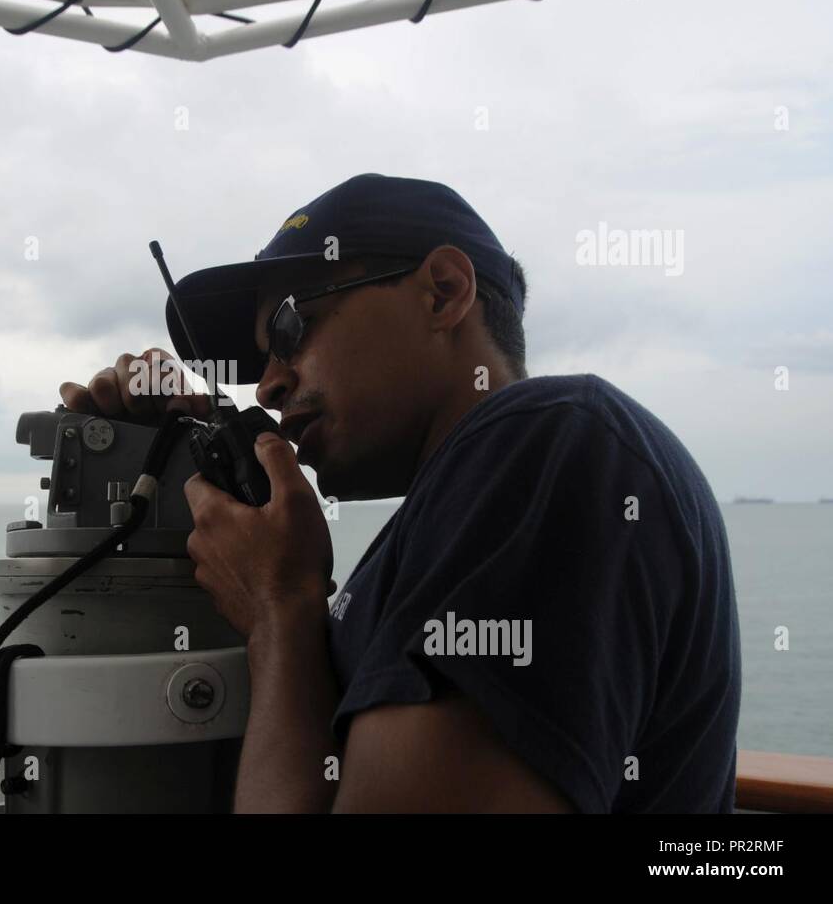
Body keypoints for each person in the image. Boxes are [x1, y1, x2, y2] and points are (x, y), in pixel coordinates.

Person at [59, 174, 741, 813]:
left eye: (292, 330)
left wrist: (281, 608)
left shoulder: (548, 445)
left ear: (443, 292)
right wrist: (191, 445)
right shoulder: (487, 493)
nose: (266, 385)